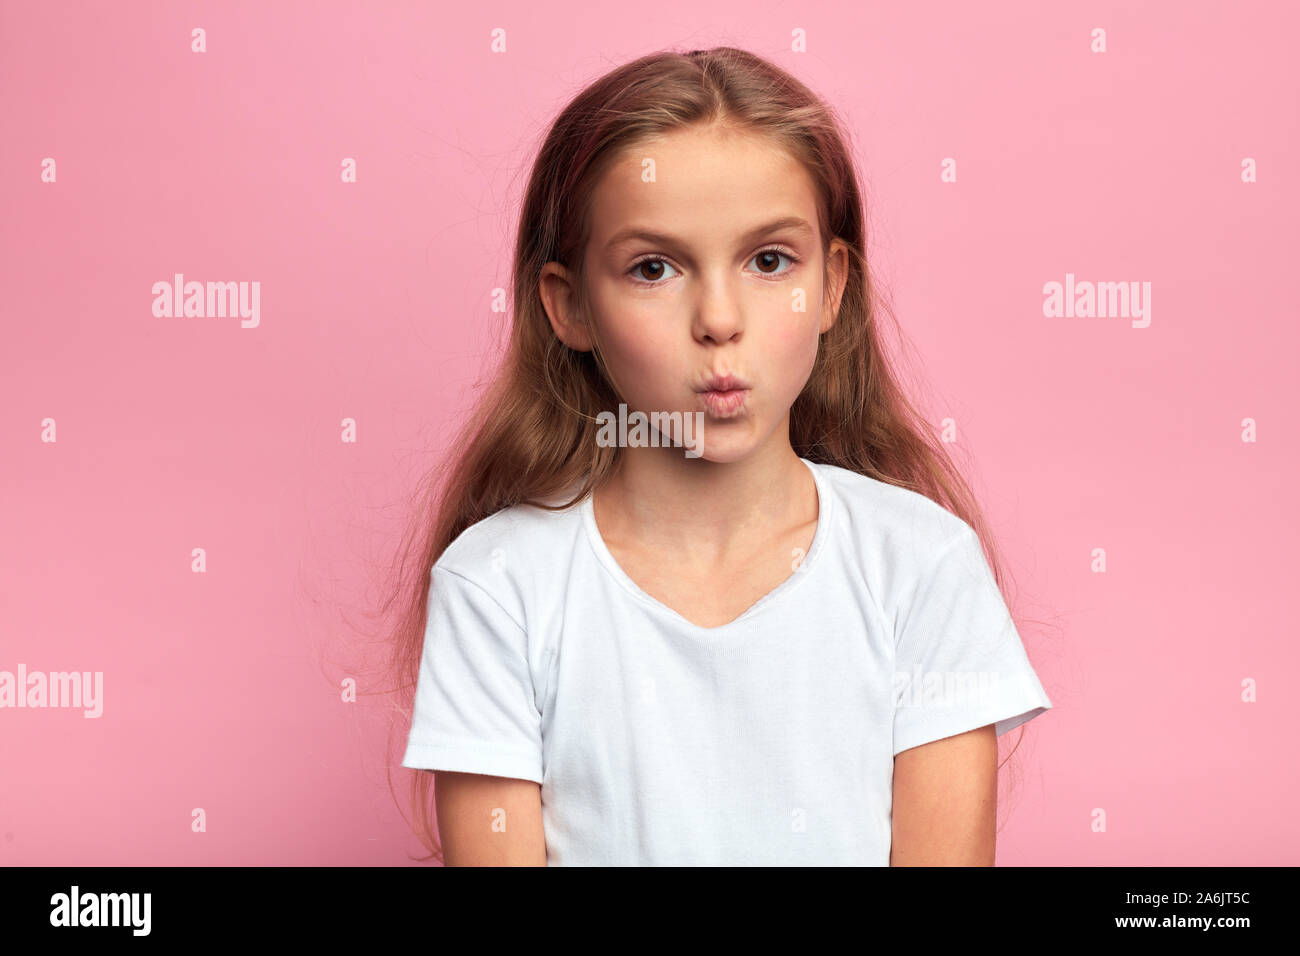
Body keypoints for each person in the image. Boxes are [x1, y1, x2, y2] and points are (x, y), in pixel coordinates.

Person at [393, 46, 1052, 865]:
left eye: (769, 261)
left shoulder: (922, 566)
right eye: (655, 268)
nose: (718, 319)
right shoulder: (496, 587)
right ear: (570, 307)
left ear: (833, 286)